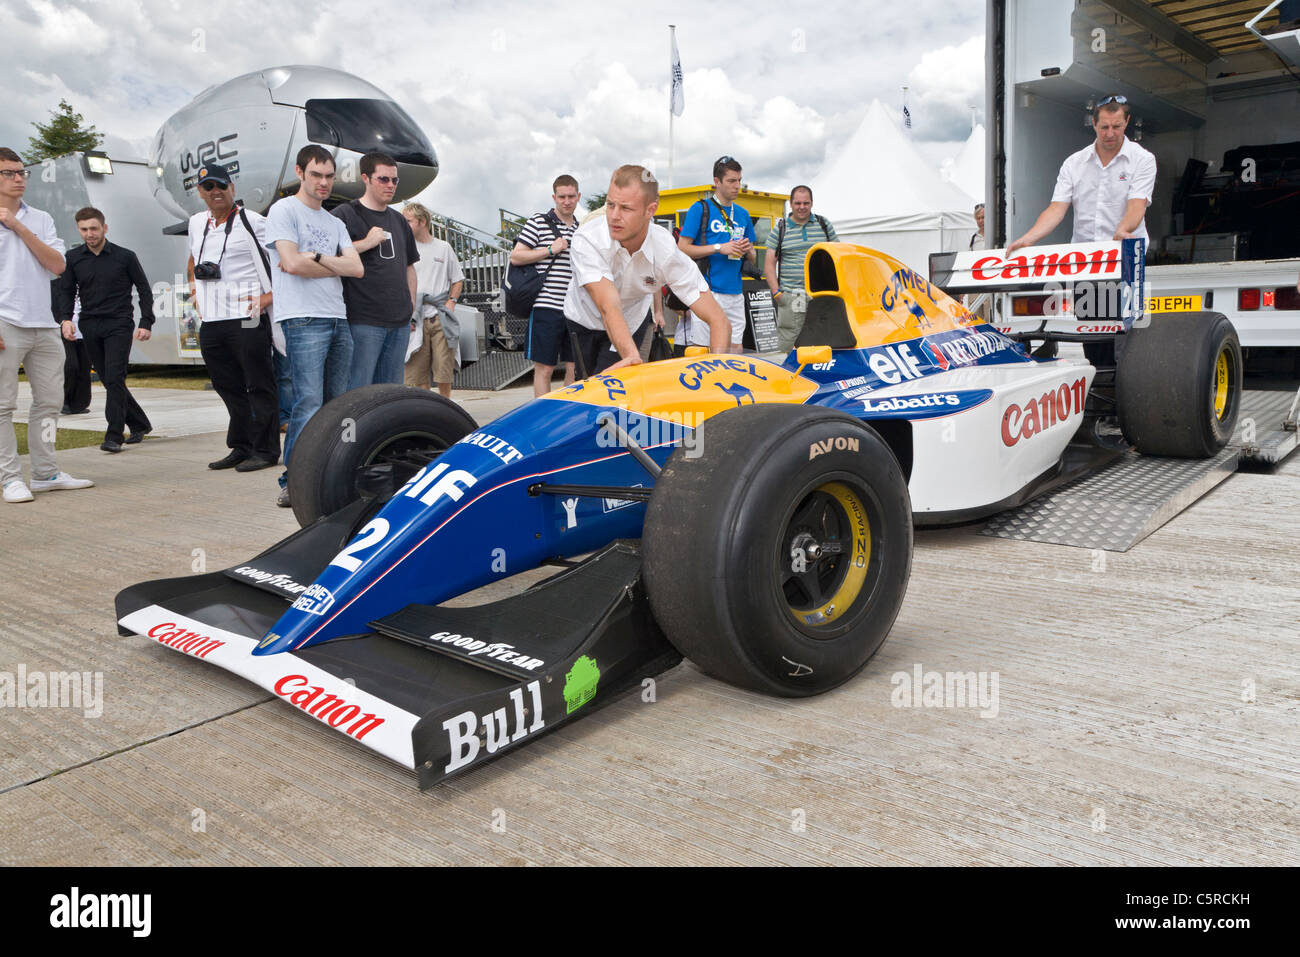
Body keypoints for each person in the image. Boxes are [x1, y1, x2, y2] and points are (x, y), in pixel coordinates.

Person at [264, 144, 363, 508]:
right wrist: (332, 262)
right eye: (316, 175)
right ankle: (293, 480)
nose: (323, 182)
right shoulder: (284, 210)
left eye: (329, 176)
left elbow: (357, 269)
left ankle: (327, 473)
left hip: (338, 317)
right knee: (308, 403)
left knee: (336, 405)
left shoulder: (335, 222)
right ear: (300, 173)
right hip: (303, 317)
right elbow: (290, 264)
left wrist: (318, 257)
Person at [565, 165, 729, 374]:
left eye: (625, 208)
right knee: (586, 391)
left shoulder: (665, 249)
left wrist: (718, 372)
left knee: (617, 390)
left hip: (631, 320)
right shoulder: (587, 238)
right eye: (610, 204)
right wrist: (632, 356)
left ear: (650, 210)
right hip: (584, 319)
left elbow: (719, 320)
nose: (613, 216)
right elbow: (608, 306)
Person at [0, 146, 93, 503]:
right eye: (9, 172)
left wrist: (18, 226)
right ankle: (10, 478)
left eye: (22, 172)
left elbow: (57, 265)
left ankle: (45, 472)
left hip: (43, 322)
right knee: (4, 406)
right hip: (5, 320)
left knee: (50, 402)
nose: (19, 178)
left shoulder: (39, 218)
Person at [187, 162, 279, 472]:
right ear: (200, 192)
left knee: (259, 384)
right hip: (212, 320)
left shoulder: (254, 222)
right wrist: (195, 290)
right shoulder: (196, 223)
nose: (215, 191)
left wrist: (268, 297)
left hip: (247, 316)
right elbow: (193, 259)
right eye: (208, 187)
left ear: (233, 189)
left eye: (221, 186)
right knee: (227, 386)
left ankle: (266, 450)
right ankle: (241, 446)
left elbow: (285, 259)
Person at [54, 207, 154, 453]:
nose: (89, 234)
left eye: (94, 228)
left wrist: (146, 322)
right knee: (110, 380)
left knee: (115, 376)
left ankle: (114, 435)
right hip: (89, 324)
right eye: (84, 229)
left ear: (104, 228)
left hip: (119, 323)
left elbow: (144, 289)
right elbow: (65, 291)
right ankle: (140, 423)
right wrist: (65, 319)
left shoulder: (125, 256)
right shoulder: (73, 257)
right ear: (79, 229)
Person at [1006, 95, 1156, 254]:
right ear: (1094, 124)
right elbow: (1056, 209)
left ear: (1126, 122)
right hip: (1083, 256)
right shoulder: (1073, 163)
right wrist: (1029, 238)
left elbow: (1137, 205)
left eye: (1117, 126)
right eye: (1104, 127)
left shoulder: (1143, 159)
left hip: (1126, 251)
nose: (1110, 134)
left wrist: (1123, 230)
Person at [332, 151, 418, 389]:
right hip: (363, 321)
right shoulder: (344, 214)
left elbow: (410, 266)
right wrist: (366, 243)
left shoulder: (399, 220)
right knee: (358, 392)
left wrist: (411, 305)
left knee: (391, 394)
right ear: (366, 178)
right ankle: (353, 429)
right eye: (383, 179)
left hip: (399, 321)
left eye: (394, 180)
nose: (390, 185)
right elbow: (329, 258)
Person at [677, 156, 756, 354]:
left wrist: (748, 249)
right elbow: (683, 248)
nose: (737, 186)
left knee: (735, 349)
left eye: (739, 180)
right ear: (716, 181)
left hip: (735, 291)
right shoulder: (701, 209)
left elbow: (753, 257)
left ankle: (733, 385)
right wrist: (720, 247)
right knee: (707, 351)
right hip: (707, 291)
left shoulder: (743, 214)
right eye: (731, 181)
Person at [511, 175, 580, 396]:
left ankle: (566, 414)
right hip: (545, 304)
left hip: (574, 309)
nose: (566, 201)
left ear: (578, 197)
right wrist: (551, 249)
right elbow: (516, 256)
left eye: (571, 196)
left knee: (574, 367)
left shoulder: (581, 228)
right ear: (554, 197)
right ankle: (542, 417)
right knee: (545, 368)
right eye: (562, 197)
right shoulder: (539, 222)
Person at [764, 185, 838, 353]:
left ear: (812, 203)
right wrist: (777, 293)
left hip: (821, 296)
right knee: (788, 343)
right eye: (798, 203)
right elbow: (769, 264)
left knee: (824, 340)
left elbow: (837, 255)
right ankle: (782, 376)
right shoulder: (780, 228)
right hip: (793, 295)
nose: (802, 207)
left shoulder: (823, 224)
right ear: (790, 204)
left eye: (806, 203)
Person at [402, 202, 463, 398]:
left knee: (443, 369)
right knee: (417, 369)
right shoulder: (405, 248)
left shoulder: (443, 247)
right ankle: (425, 407)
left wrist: (451, 302)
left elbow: (458, 278)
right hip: (415, 316)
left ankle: (445, 405)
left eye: (408, 221)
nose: (404, 225)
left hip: (439, 315)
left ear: (422, 222)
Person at [60, 296, 91, 415]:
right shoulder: (58, 286)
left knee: (84, 367)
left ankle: (79, 404)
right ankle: (63, 400)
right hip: (63, 331)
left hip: (84, 331)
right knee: (71, 366)